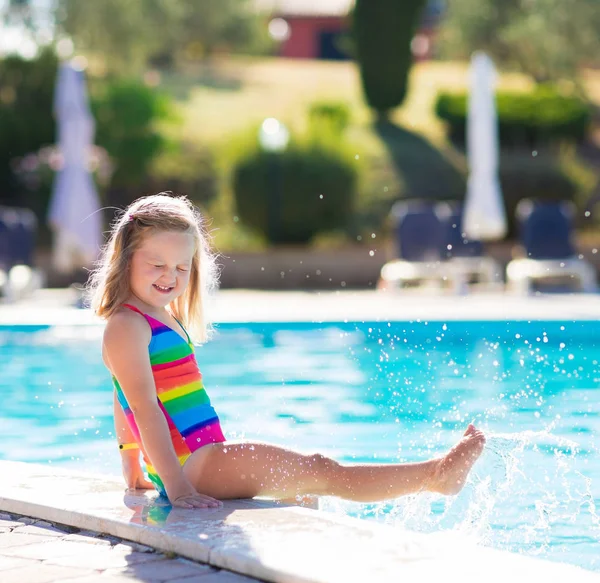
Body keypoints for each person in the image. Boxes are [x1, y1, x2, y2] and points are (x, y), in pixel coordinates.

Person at [90, 194, 486, 510]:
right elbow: (141, 407)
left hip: (197, 458)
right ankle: (435, 475)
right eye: (157, 263)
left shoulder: (157, 316)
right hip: (194, 464)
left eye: (181, 267)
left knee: (303, 493)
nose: (170, 276)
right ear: (126, 260)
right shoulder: (128, 325)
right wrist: (176, 488)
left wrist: (132, 465)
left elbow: (119, 394)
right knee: (321, 469)